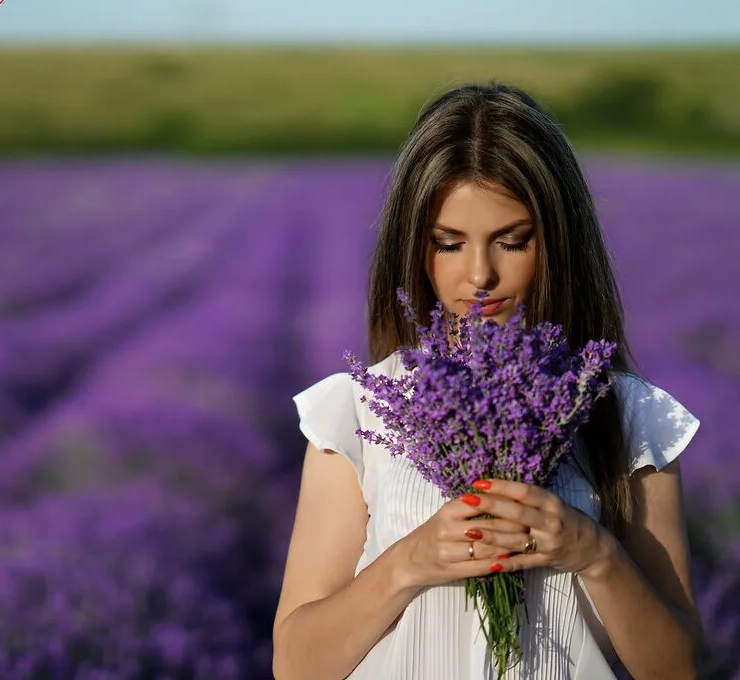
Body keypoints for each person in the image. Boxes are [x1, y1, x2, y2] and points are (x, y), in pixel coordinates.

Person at [272, 82, 704, 679]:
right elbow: (295, 666)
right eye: (449, 244)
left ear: (558, 243)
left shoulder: (629, 418)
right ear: (414, 252)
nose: (480, 274)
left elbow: (677, 670)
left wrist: (593, 554)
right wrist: (411, 561)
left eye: (512, 240)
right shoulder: (358, 413)